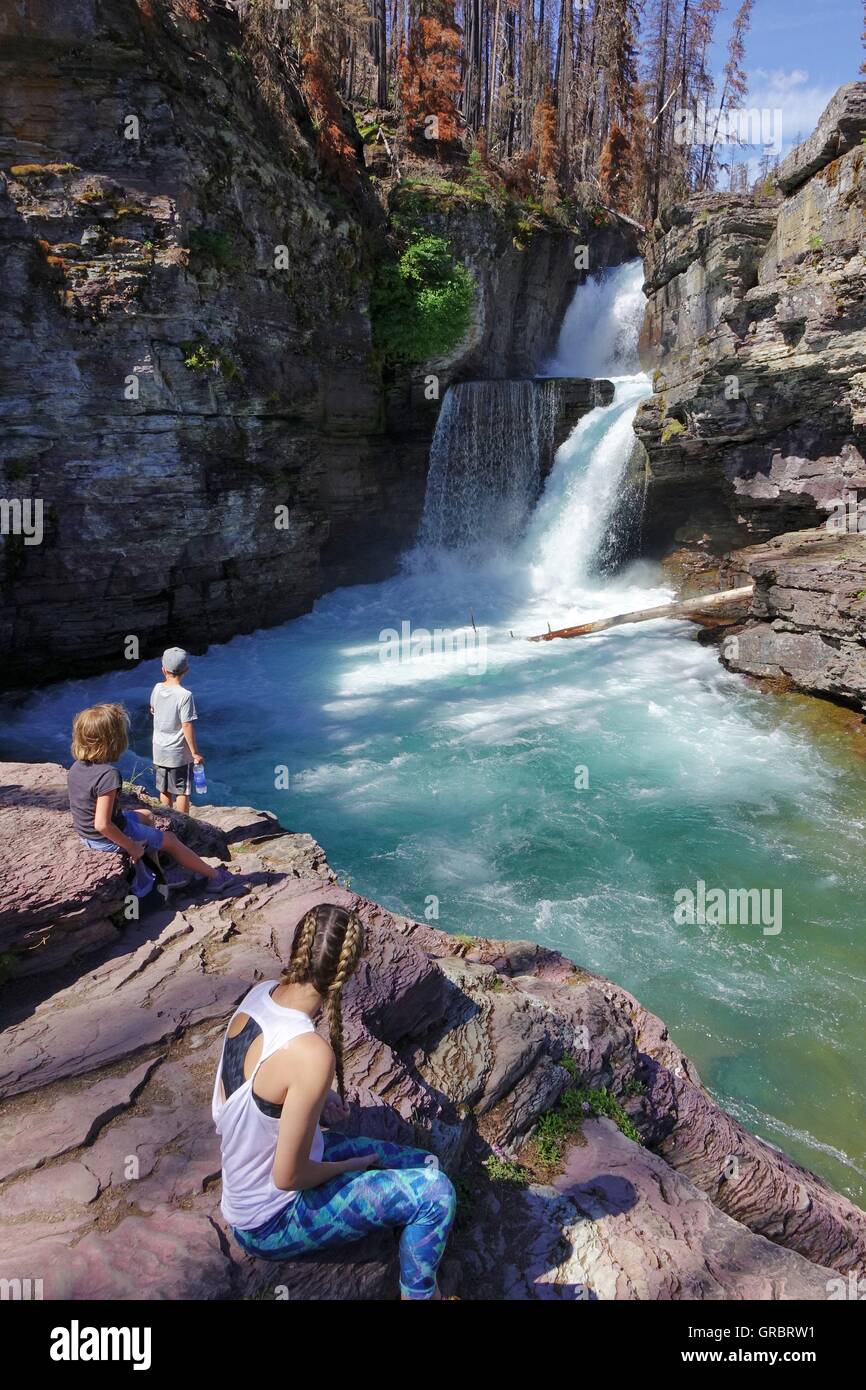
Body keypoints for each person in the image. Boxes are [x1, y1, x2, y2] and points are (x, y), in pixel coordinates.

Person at [212, 903, 456, 1300]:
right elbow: (287, 1178)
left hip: (255, 1180)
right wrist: (350, 1167)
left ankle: (397, 1221)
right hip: (269, 1220)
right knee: (437, 1194)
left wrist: (318, 1095)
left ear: (299, 948)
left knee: (427, 1164)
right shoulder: (311, 1053)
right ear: (350, 971)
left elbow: (261, 1078)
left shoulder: (261, 995)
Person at [68, 702, 239, 895]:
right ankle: (215, 877)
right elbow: (102, 824)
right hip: (104, 837)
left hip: (87, 834)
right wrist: (131, 846)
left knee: (147, 815)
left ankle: (158, 873)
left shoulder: (76, 767)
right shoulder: (108, 775)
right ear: (115, 740)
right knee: (170, 840)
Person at [150, 646, 201, 815]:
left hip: (159, 749)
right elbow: (186, 724)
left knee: (164, 789)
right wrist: (194, 753)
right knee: (182, 791)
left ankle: (166, 821)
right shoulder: (184, 695)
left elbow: (153, 709)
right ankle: (183, 824)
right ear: (186, 670)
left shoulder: (157, 688)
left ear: (163, 670)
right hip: (178, 753)